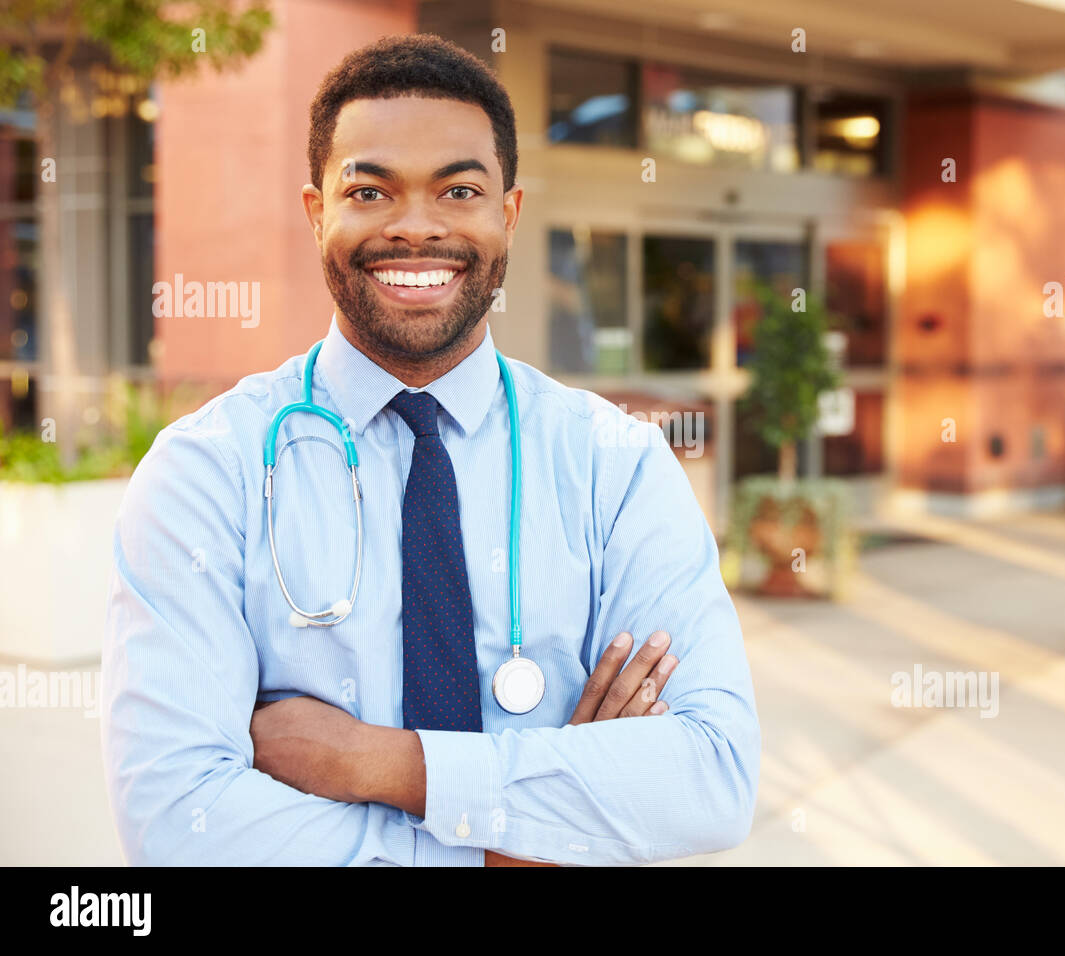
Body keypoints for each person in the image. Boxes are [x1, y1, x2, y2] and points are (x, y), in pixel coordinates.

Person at [101, 33, 760, 866]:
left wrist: (382, 764)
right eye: (370, 191)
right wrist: (525, 838)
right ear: (317, 215)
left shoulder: (613, 464)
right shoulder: (205, 472)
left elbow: (712, 779)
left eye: (458, 189)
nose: (416, 228)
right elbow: (178, 821)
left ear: (508, 215)